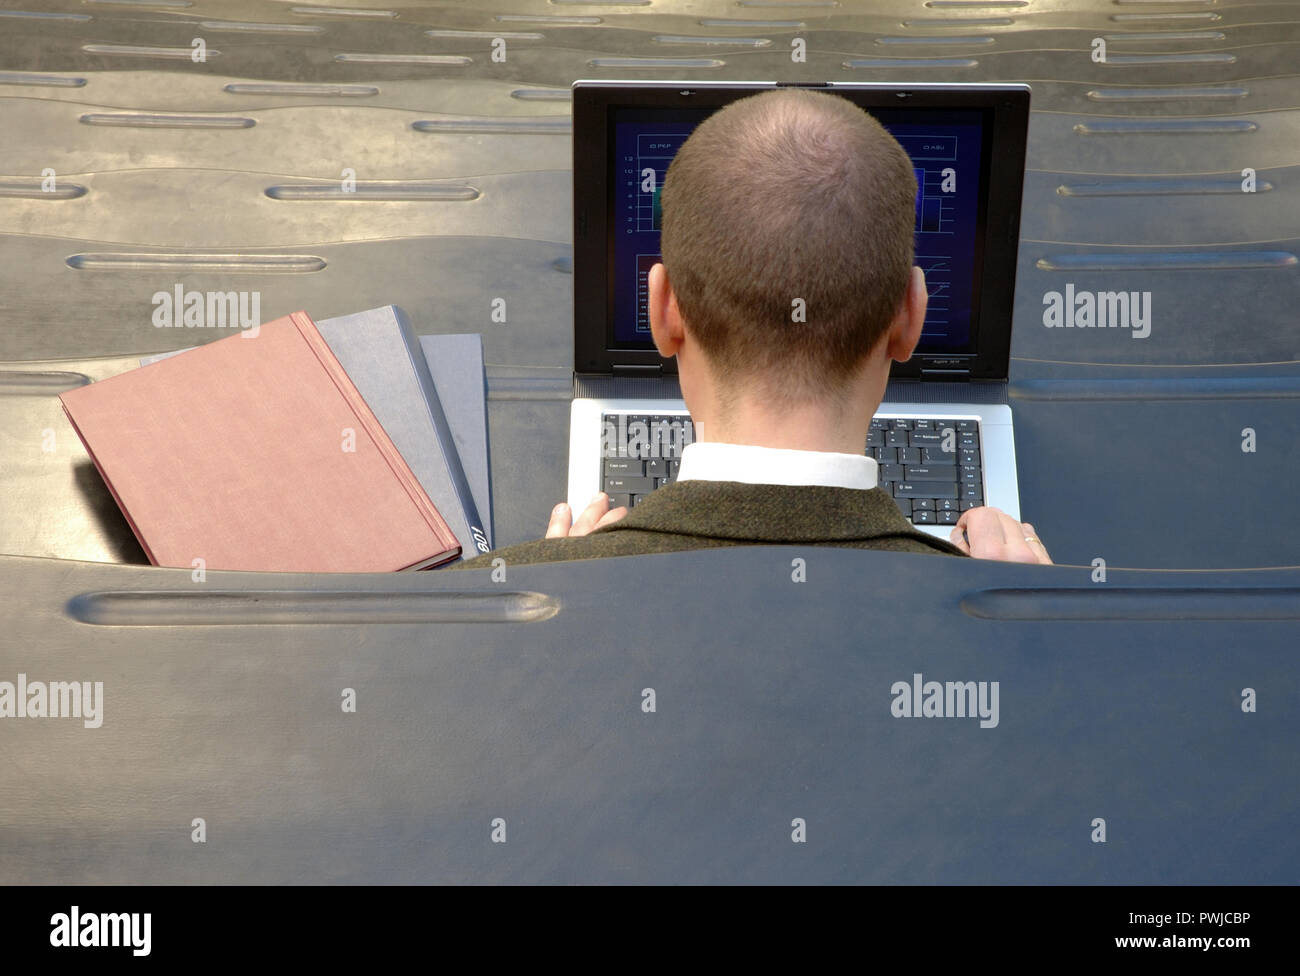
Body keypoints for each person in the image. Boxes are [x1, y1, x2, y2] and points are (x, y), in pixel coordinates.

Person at [455, 88, 1051, 570]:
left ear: (662, 311)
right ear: (912, 317)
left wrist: (539, 597)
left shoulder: (489, 604)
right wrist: (1031, 627)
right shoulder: (1026, 631)